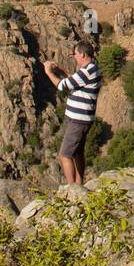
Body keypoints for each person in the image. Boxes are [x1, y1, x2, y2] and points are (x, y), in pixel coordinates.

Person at [44, 42, 102, 185]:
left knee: (65, 154)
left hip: (78, 120)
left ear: (82, 54)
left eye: (75, 54)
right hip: (82, 119)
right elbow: (74, 80)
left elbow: (62, 86)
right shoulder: (91, 69)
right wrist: (61, 72)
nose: (75, 57)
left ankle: (72, 189)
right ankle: (79, 183)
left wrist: (49, 72)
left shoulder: (87, 71)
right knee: (78, 152)